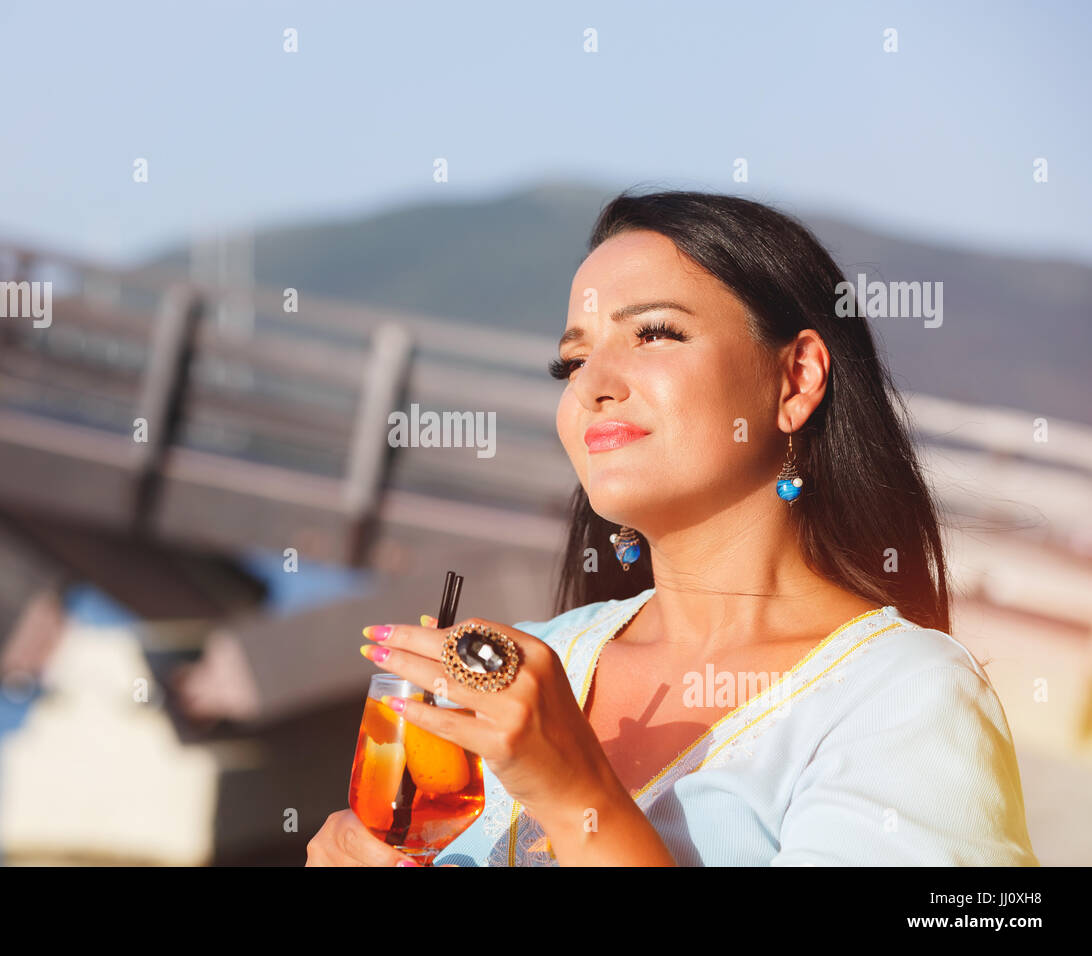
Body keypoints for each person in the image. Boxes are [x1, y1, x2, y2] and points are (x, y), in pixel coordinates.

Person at [305, 190, 1039, 866]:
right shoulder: (541, 660)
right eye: (572, 360)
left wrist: (577, 797)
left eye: (653, 333)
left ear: (796, 379)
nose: (593, 383)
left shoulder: (903, 699)